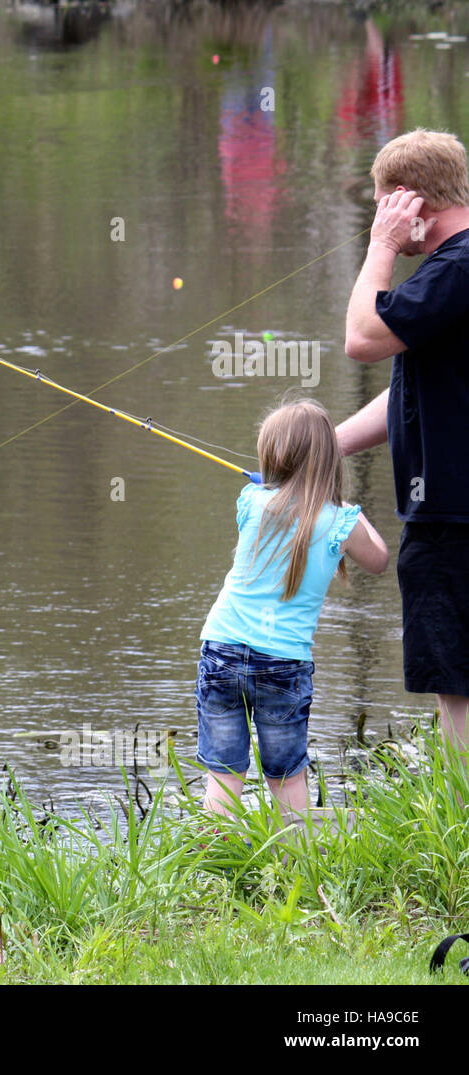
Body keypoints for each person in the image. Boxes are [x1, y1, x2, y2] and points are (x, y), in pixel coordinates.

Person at [337, 128, 469, 757]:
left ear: (410, 203)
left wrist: (381, 247)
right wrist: (326, 445)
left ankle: (458, 827)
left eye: (385, 204)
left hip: (454, 515)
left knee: (458, 687)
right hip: (451, 510)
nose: (381, 217)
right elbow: (418, 392)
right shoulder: (453, 278)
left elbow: (362, 336)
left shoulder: (455, 269)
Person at [197, 400, 389, 816]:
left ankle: (213, 869)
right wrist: (350, 510)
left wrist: (272, 486)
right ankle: (295, 865)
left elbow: (277, 507)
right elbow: (379, 560)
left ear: (271, 457)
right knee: (286, 775)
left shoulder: (251, 499)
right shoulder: (342, 520)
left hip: (222, 648)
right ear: (329, 460)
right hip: (283, 663)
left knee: (223, 771)